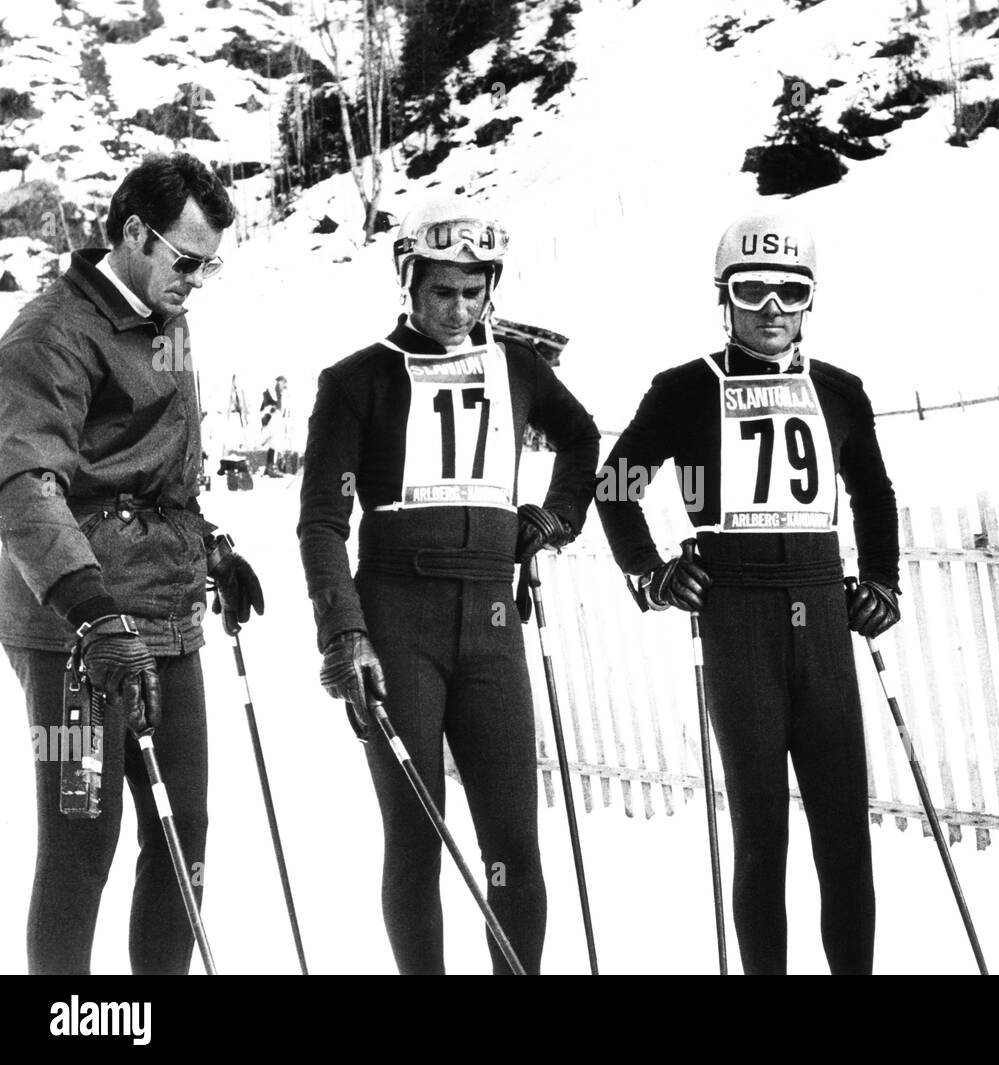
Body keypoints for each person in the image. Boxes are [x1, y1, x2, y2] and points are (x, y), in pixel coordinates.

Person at [297, 198, 600, 975]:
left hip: (492, 617)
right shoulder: (356, 379)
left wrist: (553, 520)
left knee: (513, 839)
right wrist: (344, 631)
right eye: (441, 291)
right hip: (399, 618)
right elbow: (321, 523)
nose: (458, 308)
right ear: (408, 283)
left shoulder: (518, 366)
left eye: (474, 291)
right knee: (415, 832)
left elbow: (582, 437)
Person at [596, 212, 900, 975]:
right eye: (752, 289)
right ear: (724, 297)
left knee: (843, 835)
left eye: (789, 291)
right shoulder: (685, 389)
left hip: (822, 614)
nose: (772, 307)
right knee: (761, 835)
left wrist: (884, 584)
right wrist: (652, 571)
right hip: (738, 619)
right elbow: (616, 486)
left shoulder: (839, 389)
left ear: (809, 301)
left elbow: (874, 492)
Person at [0, 152, 264, 975]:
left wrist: (209, 543)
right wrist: (89, 611)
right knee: (83, 840)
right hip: (73, 632)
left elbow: (160, 471)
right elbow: (21, 482)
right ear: (134, 233)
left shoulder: (169, 322)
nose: (197, 280)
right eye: (187, 261)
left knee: (185, 833)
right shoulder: (50, 335)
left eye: (210, 265)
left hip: (164, 613)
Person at [259, 375, 290, 476]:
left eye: (282, 382)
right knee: (274, 444)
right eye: (280, 382)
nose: (281, 384)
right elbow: (268, 407)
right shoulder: (274, 392)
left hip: (278, 419)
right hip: (274, 419)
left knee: (275, 444)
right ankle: (271, 468)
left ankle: (271, 467)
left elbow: (283, 407)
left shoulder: (283, 393)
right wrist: (272, 410)